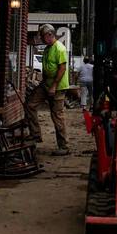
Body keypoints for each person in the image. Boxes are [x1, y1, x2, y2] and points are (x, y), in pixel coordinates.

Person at [25, 24, 70, 154]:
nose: (42, 39)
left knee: (57, 115)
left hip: (57, 87)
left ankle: (64, 146)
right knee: (30, 104)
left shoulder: (59, 48)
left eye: (43, 36)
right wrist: (43, 83)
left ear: (50, 34)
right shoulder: (47, 49)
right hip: (46, 84)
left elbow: (62, 68)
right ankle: (35, 134)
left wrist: (54, 86)